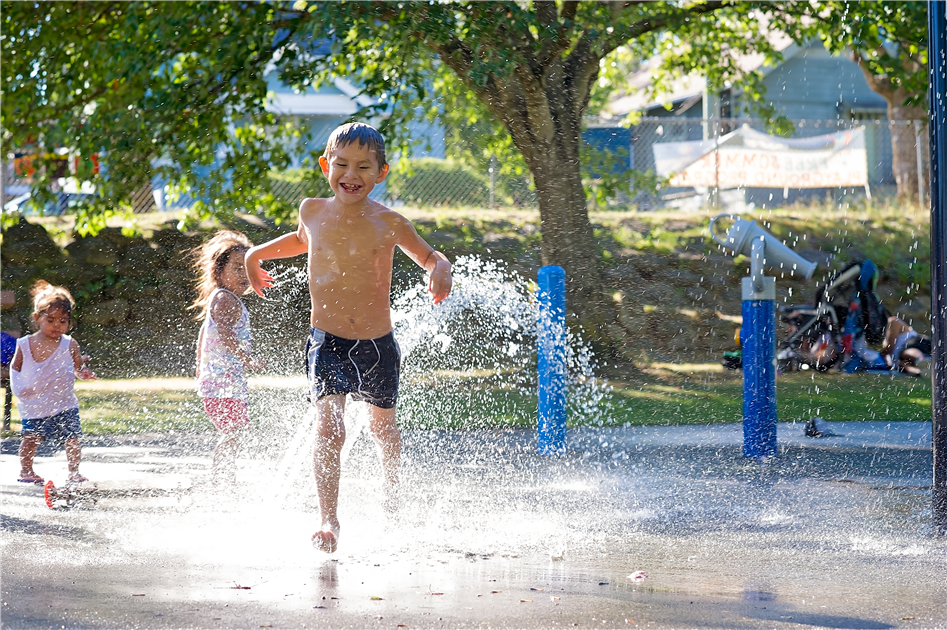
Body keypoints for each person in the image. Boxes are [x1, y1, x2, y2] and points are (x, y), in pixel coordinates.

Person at [245, 122, 452, 553]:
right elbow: (303, 242)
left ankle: (392, 507)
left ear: (381, 172)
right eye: (341, 164)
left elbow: (429, 256)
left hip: (378, 346)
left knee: (384, 432)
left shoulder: (391, 223)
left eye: (363, 166)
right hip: (328, 342)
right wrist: (255, 254)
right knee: (330, 426)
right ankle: (328, 520)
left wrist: (441, 269)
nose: (350, 174)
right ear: (326, 166)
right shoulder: (312, 211)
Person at [192, 230, 262, 484]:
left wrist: (200, 365)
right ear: (219, 272)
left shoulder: (223, 298)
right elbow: (222, 333)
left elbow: (204, 333)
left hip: (223, 382)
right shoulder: (224, 299)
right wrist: (247, 359)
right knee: (232, 431)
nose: (244, 275)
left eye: (248, 268)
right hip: (222, 384)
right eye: (237, 268)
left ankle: (225, 477)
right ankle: (220, 479)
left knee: (234, 431)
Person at [10, 281, 96, 484]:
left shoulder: (70, 344)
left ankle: (74, 472)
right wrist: (21, 389)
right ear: (37, 318)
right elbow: (15, 369)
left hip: (63, 401)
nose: (57, 325)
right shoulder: (25, 344)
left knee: (72, 437)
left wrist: (83, 373)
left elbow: (77, 369)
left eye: (63, 321)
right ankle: (26, 470)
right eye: (51, 320)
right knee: (31, 438)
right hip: (35, 402)